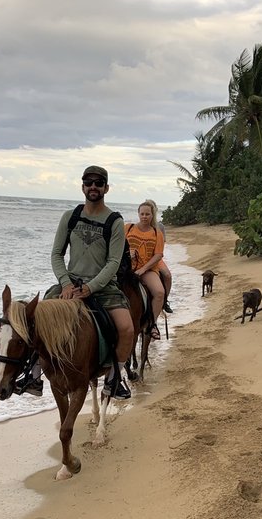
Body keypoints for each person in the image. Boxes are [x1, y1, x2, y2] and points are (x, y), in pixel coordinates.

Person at [16, 165, 133, 399]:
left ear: (106, 188)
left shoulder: (115, 221)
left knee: (127, 328)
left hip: (103, 287)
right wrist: (66, 283)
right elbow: (56, 254)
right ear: (82, 187)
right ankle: (35, 374)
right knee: (35, 320)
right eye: (88, 182)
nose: (93, 186)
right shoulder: (70, 217)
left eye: (98, 183)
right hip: (69, 285)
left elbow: (113, 262)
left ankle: (114, 379)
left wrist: (90, 288)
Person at [125, 199, 166, 339]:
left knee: (159, 292)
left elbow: (158, 254)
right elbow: (116, 246)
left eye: (147, 214)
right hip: (127, 269)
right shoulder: (128, 228)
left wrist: (143, 270)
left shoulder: (156, 233)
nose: (144, 216)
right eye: (142, 214)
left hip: (147, 270)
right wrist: (126, 254)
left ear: (152, 215)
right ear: (138, 214)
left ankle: (152, 324)